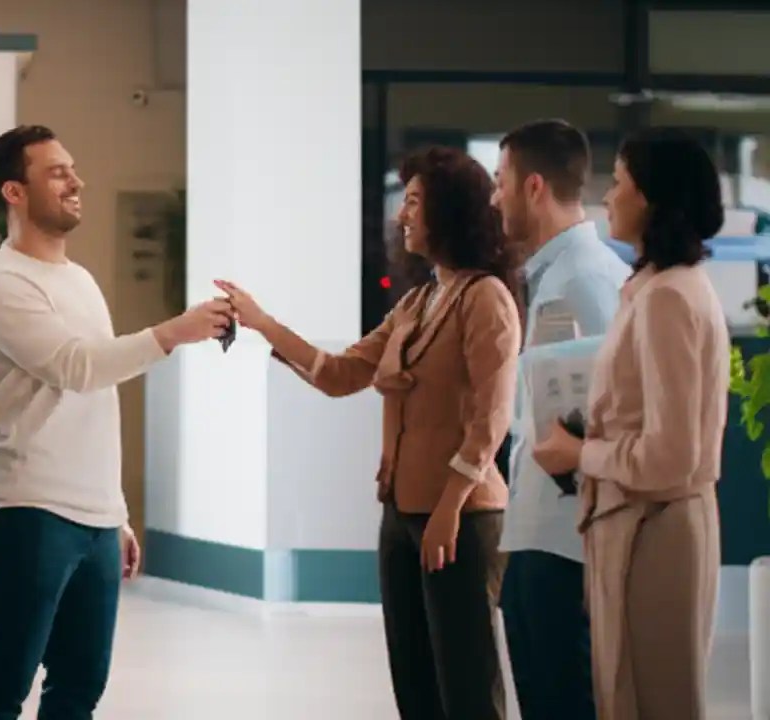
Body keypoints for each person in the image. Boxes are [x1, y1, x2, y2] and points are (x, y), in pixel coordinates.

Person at [218, 146, 521, 720]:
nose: (401, 216)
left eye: (413, 202)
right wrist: (261, 323)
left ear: (450, 211)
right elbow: (338, 375)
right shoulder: (418, 302)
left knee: (467, 685)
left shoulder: (486, 298)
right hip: (401, 512)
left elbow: (492, 415)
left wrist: (450, 505)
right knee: (415, 684)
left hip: (460, 515)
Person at [0, 124, 234, 719]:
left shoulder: (78, 280)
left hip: (92, 518)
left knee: (81, 686)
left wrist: (115, 512)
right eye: (56, 172)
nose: (75, 180)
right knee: (6, 680)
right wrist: (172, 332)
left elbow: (94, 399)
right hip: (26, 511)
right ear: (14, 191)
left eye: (73, 168)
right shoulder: (0, 284)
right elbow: (75, 367)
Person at [532, 127, 728, 720]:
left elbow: (671, 456)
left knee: (652, 699)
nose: (607, 197)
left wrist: (579, 454)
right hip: (637, 525)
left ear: (651, 196)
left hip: (658, 530)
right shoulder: (653, 289)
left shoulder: (670, 297)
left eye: (617, 183)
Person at [490, 119, 630, 720]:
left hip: (565, 542)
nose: (495, 198)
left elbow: (613, 411)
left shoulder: (587, 280)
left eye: (501, 182)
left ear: (534, 187)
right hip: (534, 533)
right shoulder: (552, 277)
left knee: (564, 700)